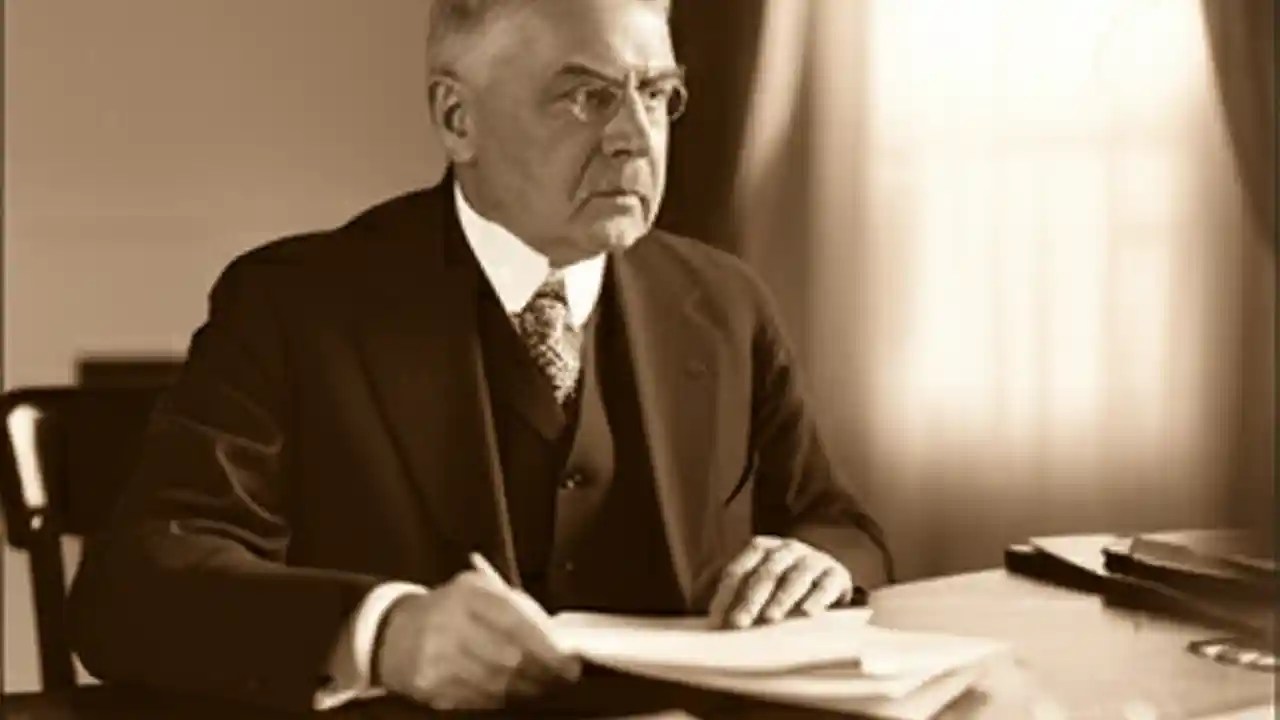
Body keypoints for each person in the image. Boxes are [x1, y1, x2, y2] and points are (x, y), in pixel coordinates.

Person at [67, 0, 892, 712]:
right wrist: (382, 632)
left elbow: (839, 524)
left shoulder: (722, 300)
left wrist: (814, 561)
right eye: (586, 96)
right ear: (458, 119)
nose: (636, 139)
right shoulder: (294, 306)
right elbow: (132, 591)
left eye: (657, 92)